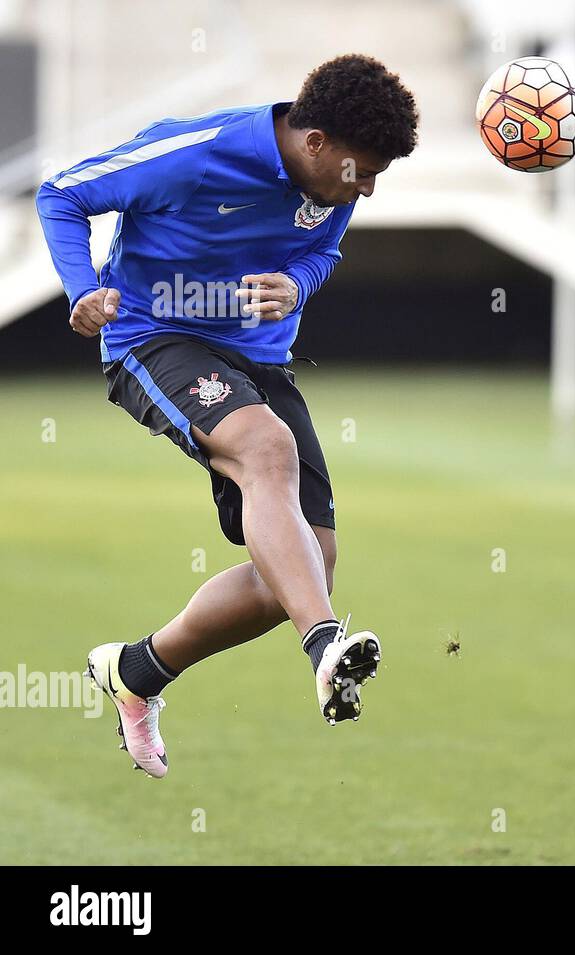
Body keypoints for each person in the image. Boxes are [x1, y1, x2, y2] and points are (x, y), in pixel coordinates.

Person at [35, 54, 419, 778]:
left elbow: (321, 250)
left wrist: (297, 284)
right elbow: (61, 193)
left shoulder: (333, 176)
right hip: (156, 338)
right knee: (266, 449)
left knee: (306, 567)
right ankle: (326, 646)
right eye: (360, 172)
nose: (365, 188)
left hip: (261, 359)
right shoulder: (195, 152)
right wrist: (82, 288)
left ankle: (136, 672)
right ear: (313, 143)